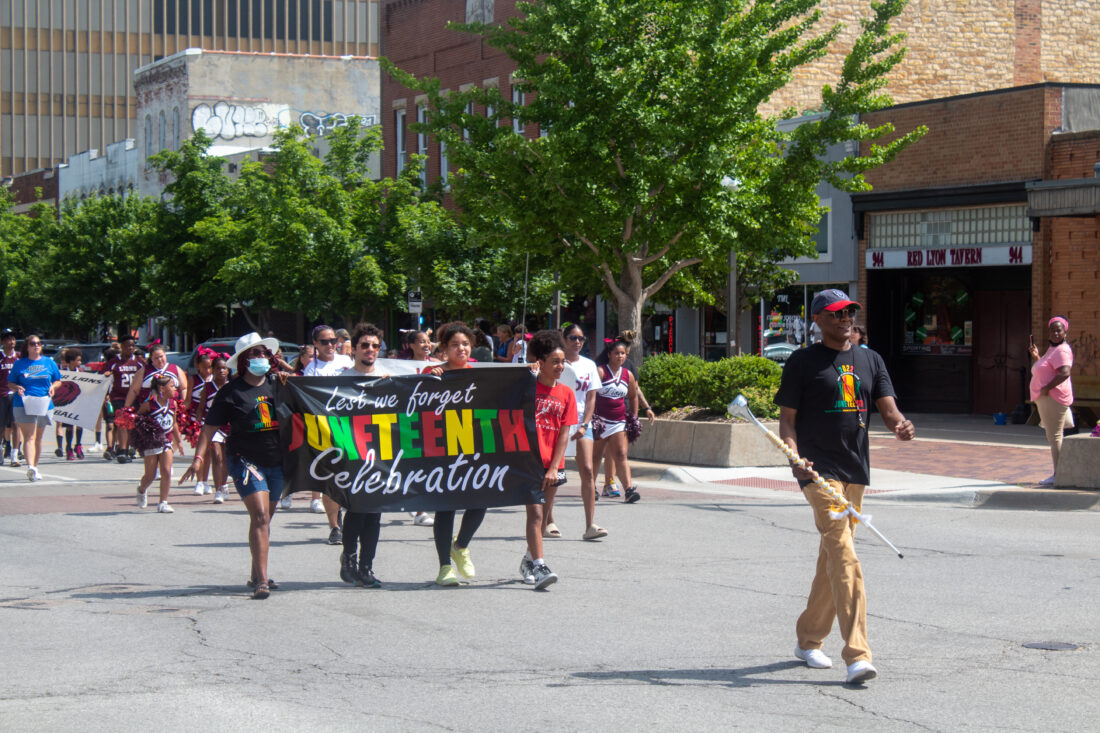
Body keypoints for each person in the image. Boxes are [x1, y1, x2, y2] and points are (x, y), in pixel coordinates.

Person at [774, 288, 915, 685]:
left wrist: (901, 425)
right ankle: (858, 654)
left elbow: (888, 410)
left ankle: (808, 638)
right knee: (846, 555)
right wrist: (793, 456)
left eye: (850, 312)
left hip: (855, 470)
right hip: (818, 472)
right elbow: (787, 420)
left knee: (832, 558)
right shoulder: (803, 362)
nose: (846, 319)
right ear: (818, 319)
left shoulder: (870, 359)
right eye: (836, 314)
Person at [181, 332, 286, 600]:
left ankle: (255, 572)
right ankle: (262, 581)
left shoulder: (279, 384)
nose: (260, 357)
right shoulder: (231, 391)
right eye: (254, 353)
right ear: (243, 361)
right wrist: (198, 458)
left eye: (263, 352)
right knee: (260, 515)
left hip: (276, 459)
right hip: (244, 459)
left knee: (264, 519)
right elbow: (209, 427)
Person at [425, 322, 486, 586]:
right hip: (440, 449)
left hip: (472, 449)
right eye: (454, 344)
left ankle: (460, 546)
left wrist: (528, 373)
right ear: (444, 348)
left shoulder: (477, 375)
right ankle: (444, 567)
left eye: (465, 344)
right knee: (445, 507)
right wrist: (431, 379)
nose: (460, 348)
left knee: (481, 500)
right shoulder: (433, 373)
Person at [519, 330, 574, 589]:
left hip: (554, 465)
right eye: (554, 361)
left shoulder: (566, 394)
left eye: (562, 361)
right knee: (536, 514)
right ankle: (540, 565)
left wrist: (554, 466)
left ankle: (528, 560)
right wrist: (526, 373)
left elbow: (564, 434)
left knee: (545, 514)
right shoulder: (527, 387)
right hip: (530, 462)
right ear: (540, 362)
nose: (560, 366)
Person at [337, 322, 389, 587]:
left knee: (375, 512)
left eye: (375, 346)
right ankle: (349, 558)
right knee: (357, 508)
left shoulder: (386, 378)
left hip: (381, 454)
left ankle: (367, 567)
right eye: (365, 345)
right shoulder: (341, 378)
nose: (370, 350)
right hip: (351, 452)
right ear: (354, 349)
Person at [295, 324, 353, 538]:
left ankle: (346, 516)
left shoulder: (346, 362)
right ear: (316, 344)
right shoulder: (312, 369)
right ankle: (334, 527)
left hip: (348, 428)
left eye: (333, 341)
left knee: (347, 477)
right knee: (329, 478)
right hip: (324, 429)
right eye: (325, 341)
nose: (331, 345)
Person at [558, 323, 607, 540]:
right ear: (563, 339)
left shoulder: (589, 365)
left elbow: (591, 398)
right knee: (554, 473)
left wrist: (585, 424)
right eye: (572, 337)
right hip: (558, 423)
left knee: (587, 470)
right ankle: (548, 521)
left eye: (581, 338)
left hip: (580, 424)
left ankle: (590, 525)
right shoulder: (556, 363)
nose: (577, 342)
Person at [592, 334, 642, 503]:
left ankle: (628, 489)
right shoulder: (600, 372)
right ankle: (591, 487)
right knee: (596, 456)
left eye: (622, 353)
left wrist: (633, 418)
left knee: (621, 454)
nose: (620, 356)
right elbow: (590, 395)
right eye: (616, 353)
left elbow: (633, 396)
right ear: (609, 354)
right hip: (600, 422)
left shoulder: (628, 374)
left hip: (619, 422)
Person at [8, 334, 63, 482]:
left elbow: (58, 380)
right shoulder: (20, 363)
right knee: (29, 436)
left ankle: (35, 468)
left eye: (39, 343)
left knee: (38, 438)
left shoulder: (49, 363)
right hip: (23, 403)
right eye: (33, 343)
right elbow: (10, 383)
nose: (36, 346)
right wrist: (17, 387)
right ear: (27, 346)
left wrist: (53, 387)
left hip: (44, 403)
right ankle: (30, 466)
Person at [1028, 316, 1074, 486]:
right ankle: (1062, 471)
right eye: (1053, 329)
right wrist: (1037, 356)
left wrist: (1046, 388)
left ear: (1065, 332)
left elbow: (1065, 372)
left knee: (1054, 436)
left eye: (1059, 329)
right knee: (1058, 430)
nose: (1055, 332)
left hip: (1052, 397)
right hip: (1051, 398)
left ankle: (1059, 474)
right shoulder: (1053, 349)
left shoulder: (1062, 350)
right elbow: (1047, 370)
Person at [134, 375, 184, 513]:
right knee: (150, 475)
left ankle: (163, 502)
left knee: (166, 471)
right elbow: (137, 420)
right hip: (151, 443)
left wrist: (178, 441)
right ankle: (141, 489)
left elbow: (173, 423)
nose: (175, 388)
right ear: (162, 388)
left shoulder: (173, 404)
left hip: (166, 441)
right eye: (172, 385)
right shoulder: (149, 404)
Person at [191, 355, 232, 504]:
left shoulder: (231, 386)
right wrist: (198, 423)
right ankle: (219, 490)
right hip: (213, 425)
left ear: (228, 370)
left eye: (224, 368)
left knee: (226, 457)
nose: (221, 371)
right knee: (216, 455)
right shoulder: (207, 387)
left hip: (229, 426)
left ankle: (223, 484)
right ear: (212, 370)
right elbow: (201, 408)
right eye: (218, 368)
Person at [100, 335, 143, 463]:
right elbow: (103, 376)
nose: (130, 348)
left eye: (132, 345)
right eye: (127, 345)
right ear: (122, 347)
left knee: (131, 424)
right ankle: (122, 451)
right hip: (118, 396)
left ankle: (127, 448)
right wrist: (107, 375)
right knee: (122, 423)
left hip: (134, 397)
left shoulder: (139, 362)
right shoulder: (113, 362)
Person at [0, 329, 23, 466]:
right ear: (3, 341)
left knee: (16, 425)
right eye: (8, 339)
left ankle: (15, 455)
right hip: (2, 395)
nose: (12, 342)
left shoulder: (19, 358)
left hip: (16, 396)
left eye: (13, 339)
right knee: (1, 426)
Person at [58, 348, 85, 460]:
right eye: (78, 360)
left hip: (79, 401)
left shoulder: (82, 372)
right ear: (72, 361)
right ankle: (68, 447)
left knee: (80, 424)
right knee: (69, 426)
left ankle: (78, 445)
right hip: (68, 401)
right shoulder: (63, 372)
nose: (80, 363)